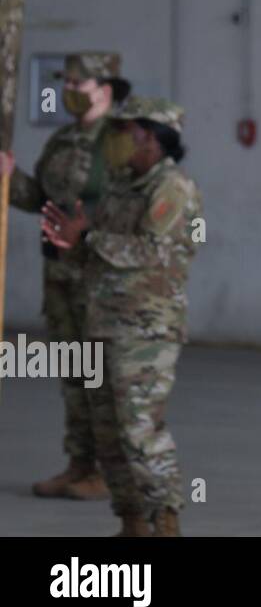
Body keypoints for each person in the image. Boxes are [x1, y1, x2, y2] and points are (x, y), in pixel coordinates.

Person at [42, 97, 202, 537]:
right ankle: (132, 522)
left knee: (140, 431)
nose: (114, 140)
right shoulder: (119, 185)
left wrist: (90, 236)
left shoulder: (172, 187)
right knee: (108, 434)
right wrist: (71, 246)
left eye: (124, 131)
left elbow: (154, 253)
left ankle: (165, 521)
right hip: (101, 322)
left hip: (145, 330)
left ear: (150, 136)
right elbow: (102, 257)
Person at [1, 51, 130, 500]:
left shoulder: (120, 142)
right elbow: (40, 197)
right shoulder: (62, 141)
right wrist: (9, 177)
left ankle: (105, 471)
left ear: (106, 89)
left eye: (80, 86)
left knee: (100, 376)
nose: (70, 93)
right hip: (58, 273)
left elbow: (133, 207)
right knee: (74, 375)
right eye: (68, 86)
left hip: (97, 275)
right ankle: (78, 464)